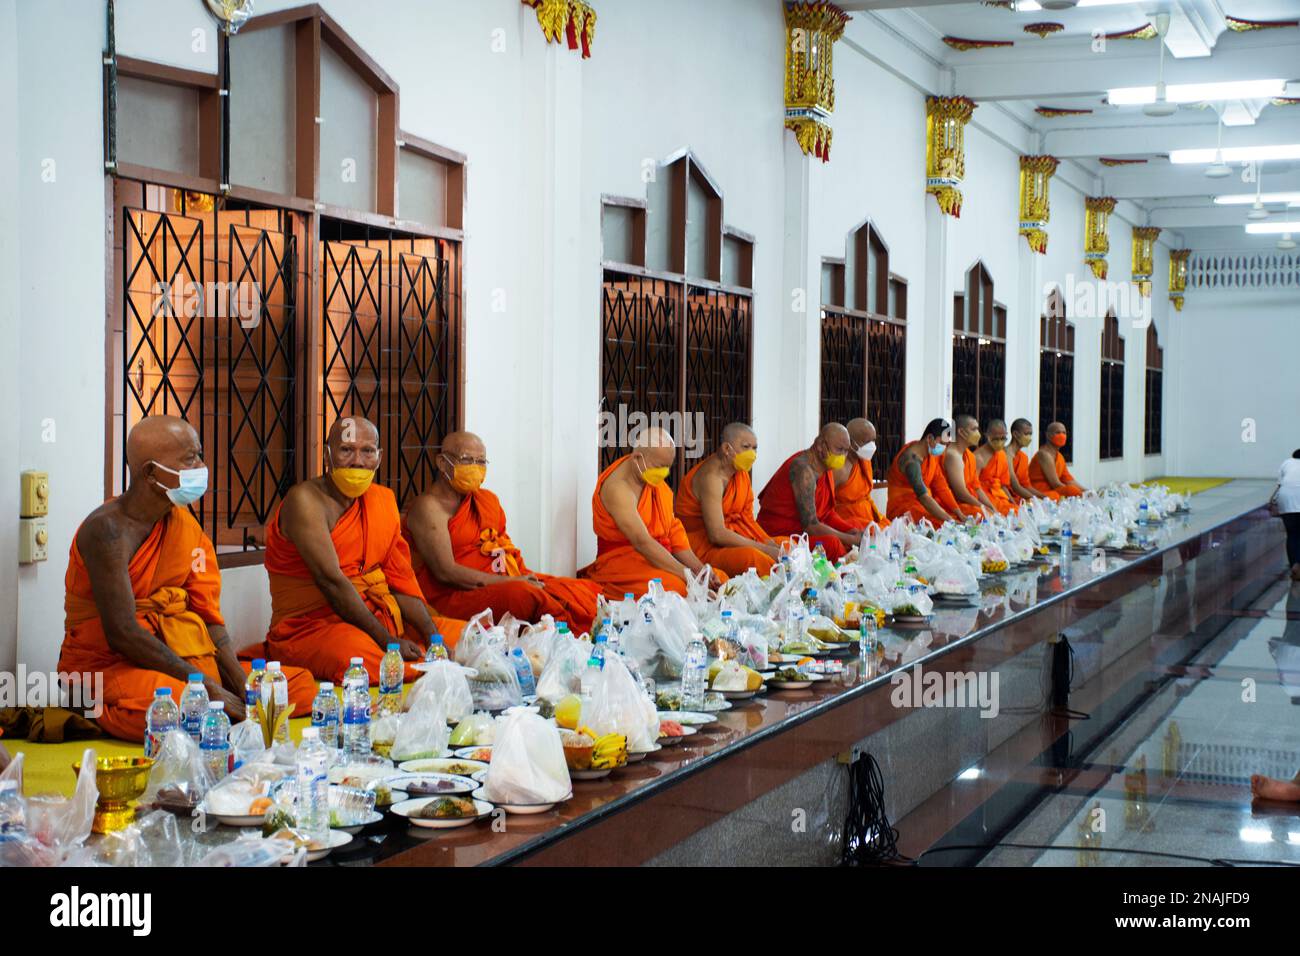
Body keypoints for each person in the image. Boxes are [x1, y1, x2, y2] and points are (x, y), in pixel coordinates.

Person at [58, 415, 314, 743]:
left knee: (296, 685)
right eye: (190, 458)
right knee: (189, 711)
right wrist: (206, 686)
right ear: (151, 473)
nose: (201, 466)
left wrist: (238, 681)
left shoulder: (183, 525)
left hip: (183, 657)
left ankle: (202, 694)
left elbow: (207, 615)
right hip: (110, 666)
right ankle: (91, 706)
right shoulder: (107, 530)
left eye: (199, 454)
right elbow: (123, 633)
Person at [264, 416, 466, 685]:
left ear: (379, 457)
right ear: (327, 455)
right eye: (346, 450)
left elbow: (399, 581)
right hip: (311, 628)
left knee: (463, 638)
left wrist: (433, 638)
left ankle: (429, 665)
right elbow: (332, 582)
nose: (357, 461)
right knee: (361, 658)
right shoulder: (305, 501)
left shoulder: (382, 500)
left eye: (367, 451)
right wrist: (387, 642)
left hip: (380, 618)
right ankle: (427, 672)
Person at [402, 431, 602, 633]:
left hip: (501, 581)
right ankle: (563, 635)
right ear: (442, 463)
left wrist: (521, 576)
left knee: (583, 589)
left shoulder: (486, 500)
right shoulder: (429, 508)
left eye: (481, 462)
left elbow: (504, 549)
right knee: (525, 594)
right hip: (455, 595)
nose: (475, 468)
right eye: (466, 459)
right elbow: (446, 572)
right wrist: (511, 581)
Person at [577, 426, 724, 599]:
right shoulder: (618, 489)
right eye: (660, 466)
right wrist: (687, 576)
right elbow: (642, 542)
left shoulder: (651, 479)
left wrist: (700, 570)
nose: (665, 473)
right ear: (638, 458)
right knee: (676, 588)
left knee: (719, 578)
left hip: (656, 556)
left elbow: (673, 534)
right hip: (621, 563)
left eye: (668, 466)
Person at [676, 422, 789, 576]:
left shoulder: (740, 473)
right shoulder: (711, 478)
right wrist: (765, 549)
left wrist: (768, 542)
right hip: (703, 548)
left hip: (736, 537)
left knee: (789, 546)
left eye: (755, 448)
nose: (752, 453)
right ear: (727, 449)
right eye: (745, 447)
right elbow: (717, 534)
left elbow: (747, 520)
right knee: (755, 559)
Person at [757, 423, 866, 561]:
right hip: (779, 533)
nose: (843, 456)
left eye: (846, 451)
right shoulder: (803, 470)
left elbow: (826, 513)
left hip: (804, 531)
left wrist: (849, 531)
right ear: (820, 445)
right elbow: (811, 526)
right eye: (839, 450)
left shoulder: (826, 467)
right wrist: (849, 538)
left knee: (858, 530)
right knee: (832, 544)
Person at [885, 418, 962, 528]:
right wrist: (950, 520)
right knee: (942, 525)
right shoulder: (911, 461)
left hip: (922, 506)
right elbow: (923, 497)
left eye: (946, 444)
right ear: (929, 438)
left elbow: (941, 486)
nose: (943, 448)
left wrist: (959, 513)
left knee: (953, 519)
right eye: (942, 443)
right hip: (903, 510)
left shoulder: (930, 455)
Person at [832, 418, 887, 528]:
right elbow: (822, 504)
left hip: (868, 517)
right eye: (867, 442)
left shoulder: (864, 460)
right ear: (851, 443)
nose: (872, 446)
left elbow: (865, 494)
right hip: (847, 522)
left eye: (874, 440)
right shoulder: (839, 469)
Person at [942, 414, 995, 520]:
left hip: (968, 502)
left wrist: (992, 507)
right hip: (954, 505)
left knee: (993, 512)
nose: (979, 434)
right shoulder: (953, 455)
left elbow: (976, 487)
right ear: (961, 432)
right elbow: (960, 493)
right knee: (983, 516)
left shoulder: (969, 455)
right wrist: (983, 508)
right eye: (974, 429)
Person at [1029, 421, 1086, 498]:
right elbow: (1055, 484)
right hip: (1039, 492)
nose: (1062, 435)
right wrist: (1075, 492)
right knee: (1069, 492)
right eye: (1058, 432)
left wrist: (1086, 491)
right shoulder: (1044, 454)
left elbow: (1068, 480)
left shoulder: (1059, 457)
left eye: (1064, 433)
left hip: (1052, 491)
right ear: (1048, 435)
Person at [974, 419, 1017, 516]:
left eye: (1003, 438)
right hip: (984, 497)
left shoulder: (1002, 454)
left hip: (1000, 497)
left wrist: (1012, 502)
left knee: (1016, 512)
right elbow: (974, 487)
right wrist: (991, 507)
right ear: (987, 436)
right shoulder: (978, 457)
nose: (1000, 442)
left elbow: (1003, 485)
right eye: (996, 439)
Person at [1271, 449, 1300, 582]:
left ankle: (1294, 564)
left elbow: (1280, 485)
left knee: (1292, 535)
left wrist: (1271, 500)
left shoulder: (1287, 463)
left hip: (1286, 499)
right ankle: (1298, 564)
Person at [1008, 418, 1049, 503]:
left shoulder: (1023, 457)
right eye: (1026, 434)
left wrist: (1045, 498)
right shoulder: (1005, 454)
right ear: (1015, 434)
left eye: (1030, 434)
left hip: (1020, 495)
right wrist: (1036, 500)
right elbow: (1015, 486)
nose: (1029, 438)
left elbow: (1026, 485)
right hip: (1006, 496)